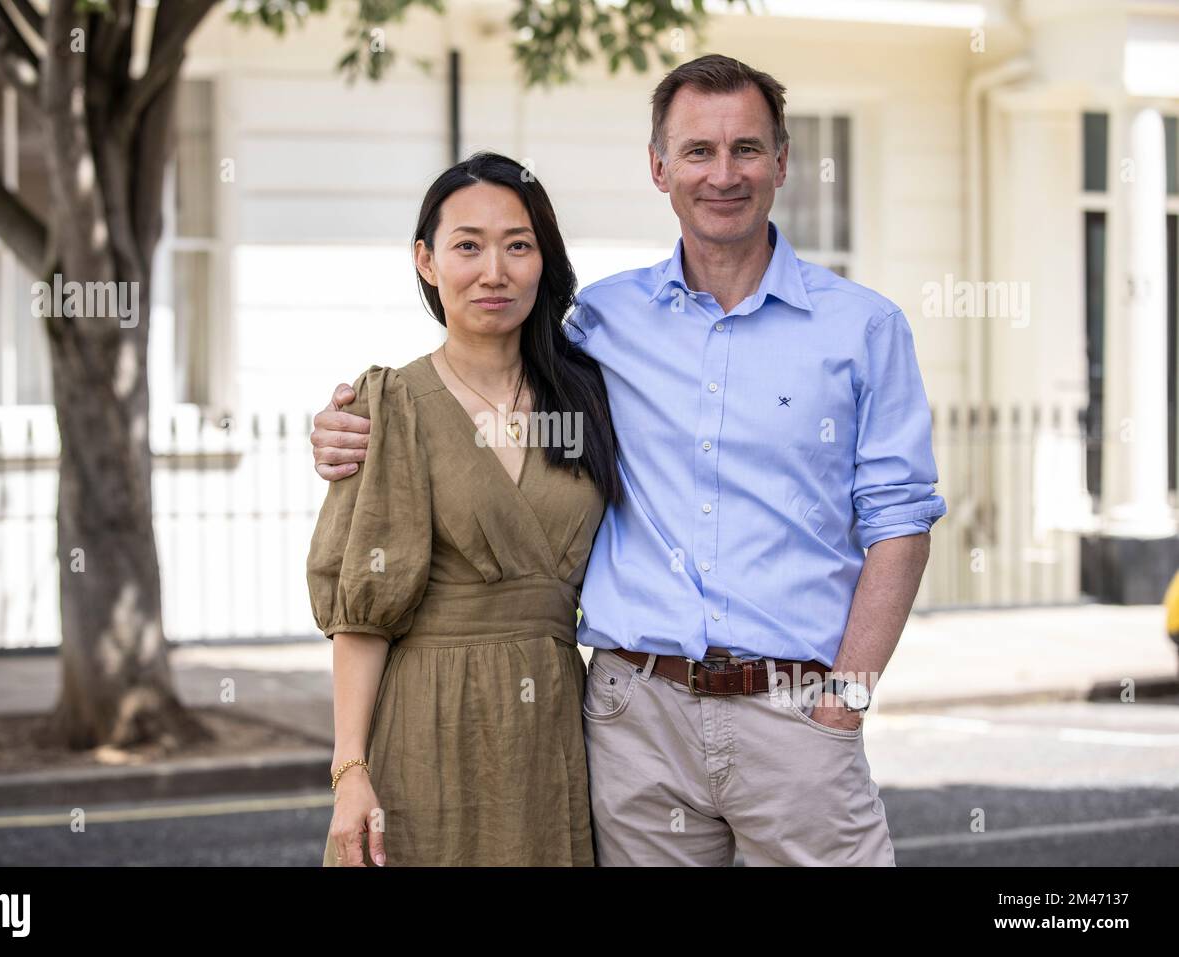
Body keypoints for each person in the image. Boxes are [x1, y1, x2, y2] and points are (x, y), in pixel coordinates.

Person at [312, 55, 947, 866]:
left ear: (782, 162)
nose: (723, 174)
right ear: (659, 167)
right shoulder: (600, 327)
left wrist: (846, 702)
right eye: (697, 152)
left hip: (796, 719)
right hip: (633, 722)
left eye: (747, 149)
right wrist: (341, 425)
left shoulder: (863, 327)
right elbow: (468, 373)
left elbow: (901, 522)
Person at [307, 151, 622, 866]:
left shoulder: (592, 396)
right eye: (468, 246)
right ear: (426, 260)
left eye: (518, 245)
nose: (494, 271)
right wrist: (349, 770)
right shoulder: (389, 405)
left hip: (555, 726)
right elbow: (361, 616)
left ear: (544, 261)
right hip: (427, 718)